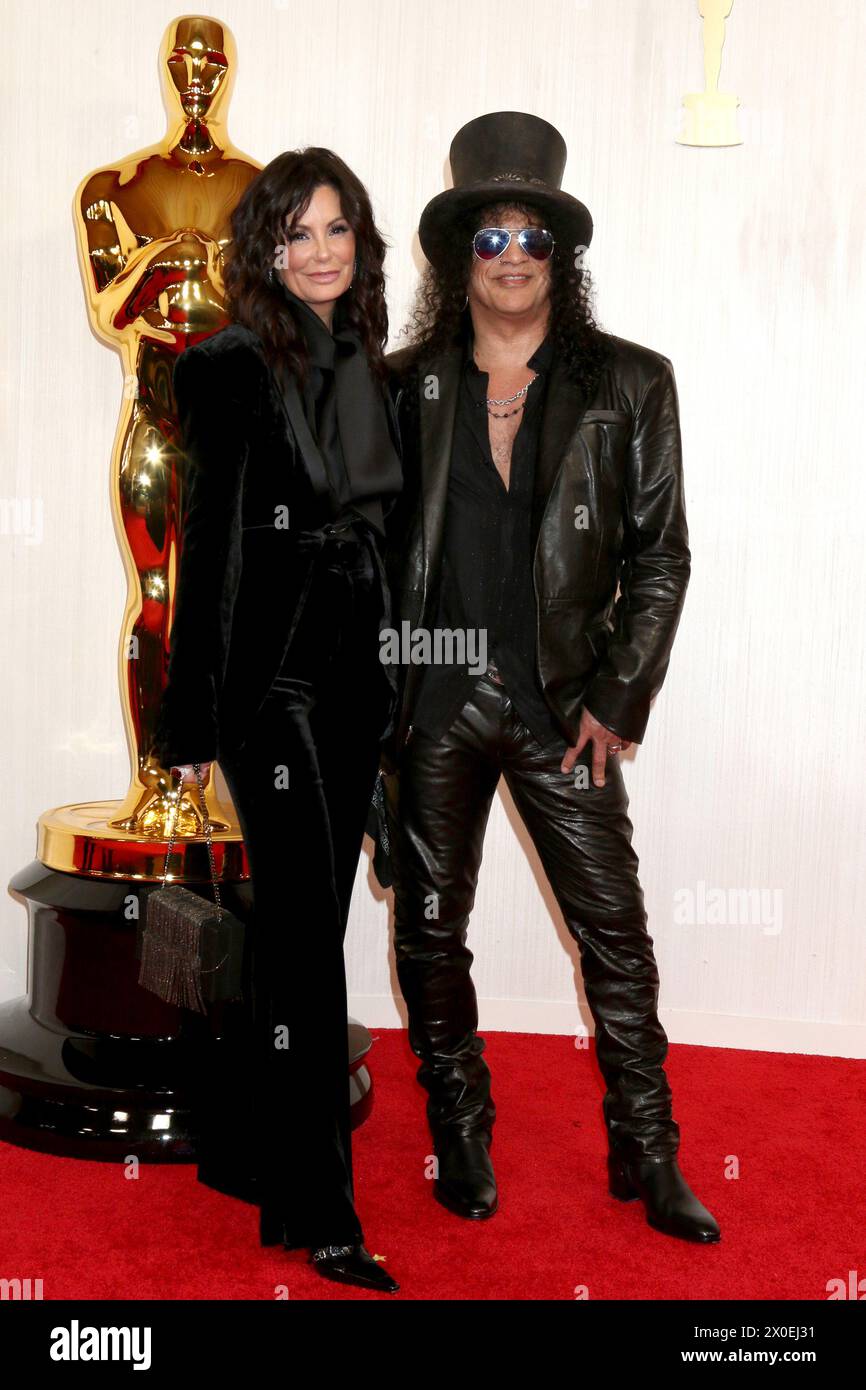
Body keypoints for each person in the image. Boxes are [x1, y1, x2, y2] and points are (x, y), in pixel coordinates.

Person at [380, 111, 720, 1243]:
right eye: (489, 235)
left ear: (561, 253)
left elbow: (659, 554)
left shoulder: (628, 383)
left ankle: (647, 1148)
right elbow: (364, 564)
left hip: (558, 706)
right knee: (431, 930)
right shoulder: (398, 387)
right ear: (457, 255)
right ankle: (459, 1125)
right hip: (431, 699)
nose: (512, 253)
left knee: (610, 930)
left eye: (533, 233)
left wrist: (616, 696)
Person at [152, 147, 402, 1292]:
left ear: (361, 243)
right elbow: (202, 548)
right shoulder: (228, 367)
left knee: (309, 928)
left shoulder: (375, 368)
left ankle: (251, 1150)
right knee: (306, 940)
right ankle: (324, 1211)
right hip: (274, 695)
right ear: (265, 248)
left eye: (336, 230)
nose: (319, 252)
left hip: (357, 687)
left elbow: (391, 543)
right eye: (297, 233)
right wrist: (190, 725)